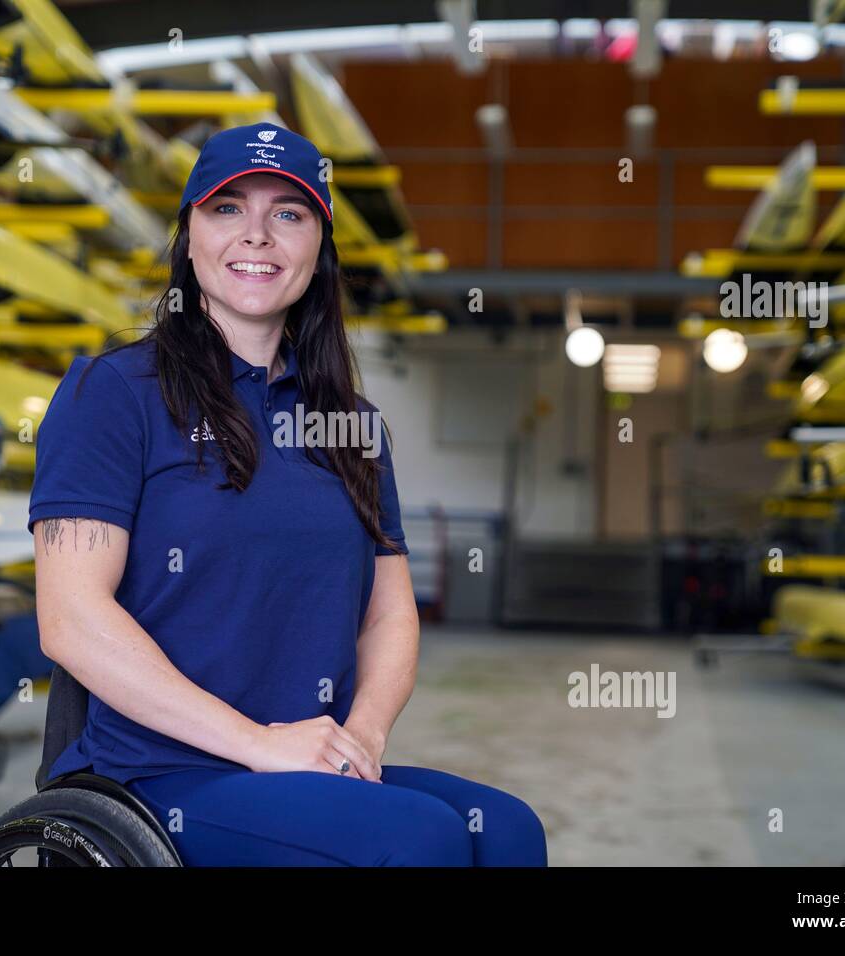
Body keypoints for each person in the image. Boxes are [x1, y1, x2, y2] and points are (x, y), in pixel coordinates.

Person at [28, 121, 547, 866]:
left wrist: (362, 738)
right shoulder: (111, 394)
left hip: (308, 763)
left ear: (318, 250)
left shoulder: (351, 426)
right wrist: (257, 744)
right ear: (189, 237)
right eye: (228, 208)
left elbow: (390, 613)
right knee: (417, 840)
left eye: (289, 214)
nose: (258, 236)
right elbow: (71, 620)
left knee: (506, 831)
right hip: (160, 775)